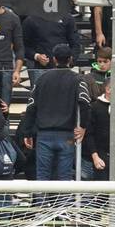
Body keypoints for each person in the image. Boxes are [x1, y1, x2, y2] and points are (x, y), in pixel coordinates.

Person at [20, 44, 91, 181]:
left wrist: (27, 132)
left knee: (42, 176)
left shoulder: (42, 79)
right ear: (70, 59)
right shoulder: (77, 79)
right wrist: (82, 127)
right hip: (66, 135)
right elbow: (85, 103)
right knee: (64, 177)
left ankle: (42, 202)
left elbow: (31, 107)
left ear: (54, 59)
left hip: (44, 135)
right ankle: (63, 203)